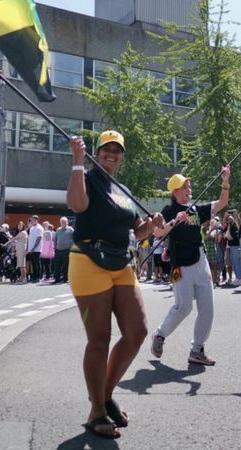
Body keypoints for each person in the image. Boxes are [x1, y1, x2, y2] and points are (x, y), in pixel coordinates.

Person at [66, 131, 163, 438]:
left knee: (137, 332)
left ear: (122, 156)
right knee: (99, 337)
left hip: (121, 262)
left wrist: (154, 224)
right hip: (88, 260)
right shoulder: (89, 177)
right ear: (97, 152)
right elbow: (77, 205)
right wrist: (78, 162)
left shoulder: (123, 188)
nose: (111, 153)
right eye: (106, 149)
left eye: (117, 149)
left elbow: (140, 230)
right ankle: (95, 411)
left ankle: (104, 396)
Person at [152, 166, 230, 366]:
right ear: (176, 190)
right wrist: (173, 222)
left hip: (200, 261)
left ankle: (197, 350)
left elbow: (222, 202)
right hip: (181, 267)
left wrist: (225, 181)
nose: (190, 188)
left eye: (189, 185)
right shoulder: (169, 210)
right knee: (183, 307)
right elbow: (157, 233)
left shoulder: (196, 208)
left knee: (207, 309)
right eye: (186, 186)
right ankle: (160, 335)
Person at [53, 217, 73, 283]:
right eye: (61, 222)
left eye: (64, 222)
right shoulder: (58, 230)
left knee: (65, 265)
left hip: (67, 250)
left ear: (67, 222)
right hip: (58, 250)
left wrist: (71, 247)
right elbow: (55, 239)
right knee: (57, 265)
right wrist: (55, 247)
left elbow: (74, 238)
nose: (62, 223)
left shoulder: (70, 229)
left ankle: (65, 279)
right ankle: (57, 279)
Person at [26, 215, 43, 282]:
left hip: (36, 249)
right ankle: (34, 277)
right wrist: (29, 248)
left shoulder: (39, 228)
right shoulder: (32, 228)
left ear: (36, 220)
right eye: (31, 220)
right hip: (31, 250)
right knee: (33, 264)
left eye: (32, 220)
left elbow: (39, 238)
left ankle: (38, 277)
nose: (31, 221)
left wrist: (34, 247)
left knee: (37, 264)